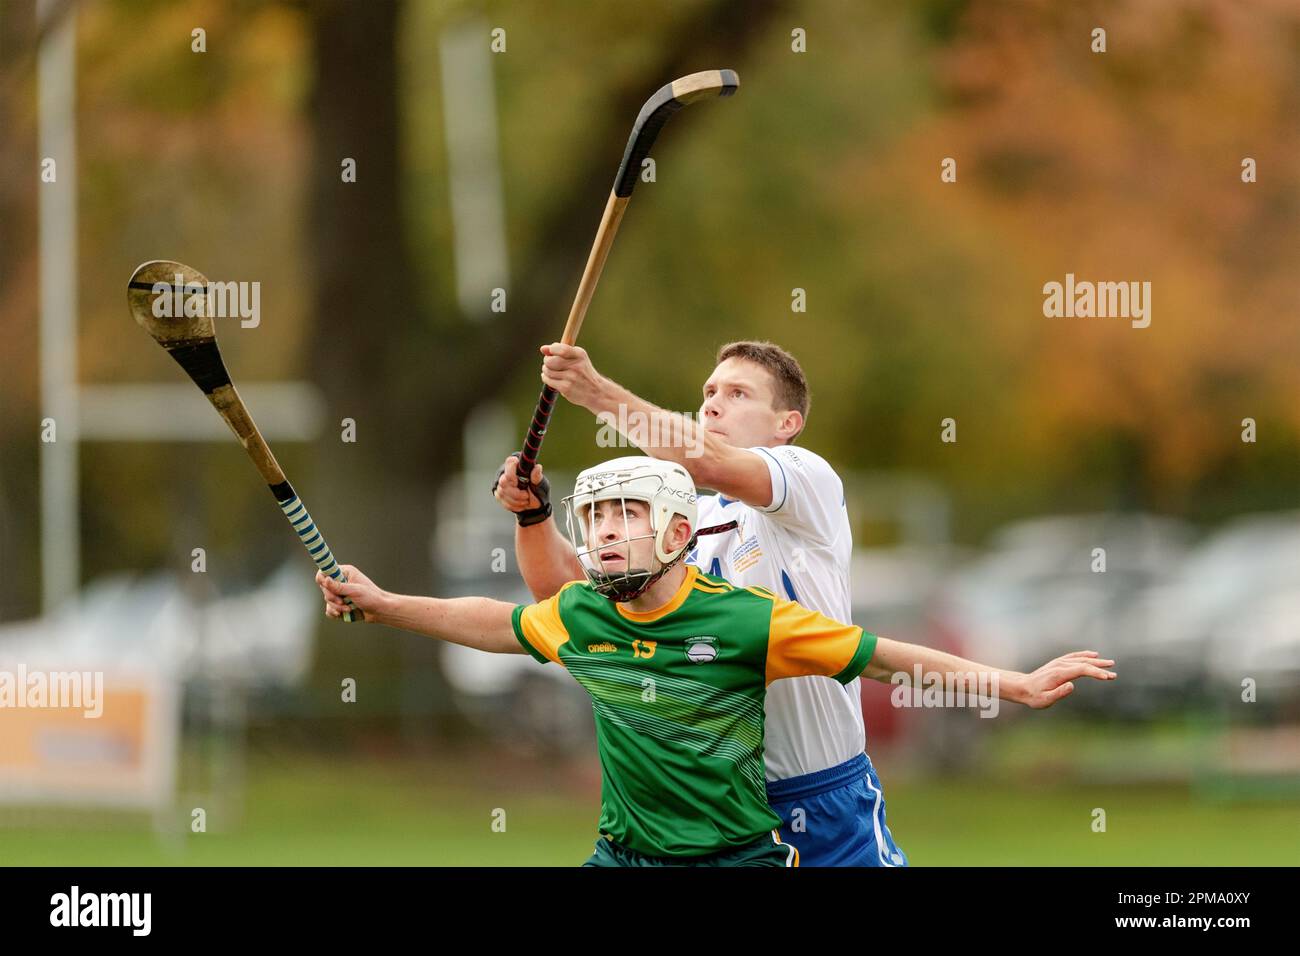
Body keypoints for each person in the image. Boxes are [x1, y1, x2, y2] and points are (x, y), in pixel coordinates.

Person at [322, 456, 1117, 867]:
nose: (603, 533)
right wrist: (386, 602)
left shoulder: (744, 621)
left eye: (625, 516)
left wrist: (1012, 682)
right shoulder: (583, 613)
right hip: (625, 855)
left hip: (735, 858)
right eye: (594, 518)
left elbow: (883, 660)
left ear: (676, 533)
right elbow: (497, 621)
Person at [492, 339, 903, 864]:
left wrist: (595, 392)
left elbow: (705, 461)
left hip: (820, 796)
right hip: (718, 816)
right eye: (709, 392)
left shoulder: (807, 482)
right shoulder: (684, 525)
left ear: (787, 424)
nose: (711, 404)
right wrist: (534, 514)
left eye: (737, 393)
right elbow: (568, 600)